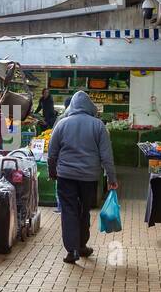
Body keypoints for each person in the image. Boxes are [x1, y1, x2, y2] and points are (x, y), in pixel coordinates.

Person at [46, 90, 118, 264]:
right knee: (83, 210)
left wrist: (52, 172)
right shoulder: (98, 125)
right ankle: (82, 246)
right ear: (90, 106)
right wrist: (111, 178)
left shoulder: (62, 124)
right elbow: (107, 156)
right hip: (89, 177)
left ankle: (72, 251)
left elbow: (52, 153)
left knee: (69, 211)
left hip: (66, 176)